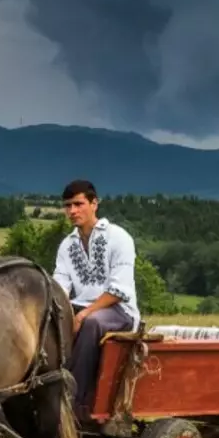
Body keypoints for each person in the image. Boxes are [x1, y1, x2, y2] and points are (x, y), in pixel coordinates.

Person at [52, 179, 140, 420]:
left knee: (91, 323)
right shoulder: (67, 246)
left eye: (78, 204)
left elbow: (119, 290)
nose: (72, 211)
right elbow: (59, 286)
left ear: (94, 204)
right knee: (49, 320)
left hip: (119, 310)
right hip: (84, 307)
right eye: (67, 206)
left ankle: (74, 403)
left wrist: (83, 313)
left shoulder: (118, 238)